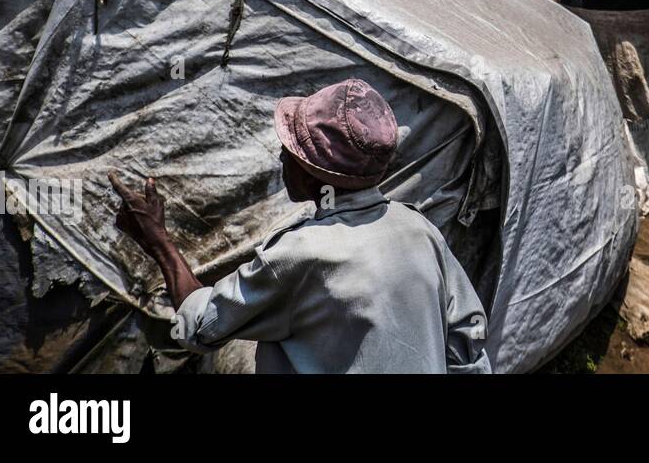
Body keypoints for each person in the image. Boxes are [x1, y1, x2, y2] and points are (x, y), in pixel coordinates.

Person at [111, 77, 491, 373]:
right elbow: (466, 346)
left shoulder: (300, 255)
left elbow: (200, 326)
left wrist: (157, 241)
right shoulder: (418, 231)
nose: (281, 155)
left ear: (314, 176)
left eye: (292, 151)